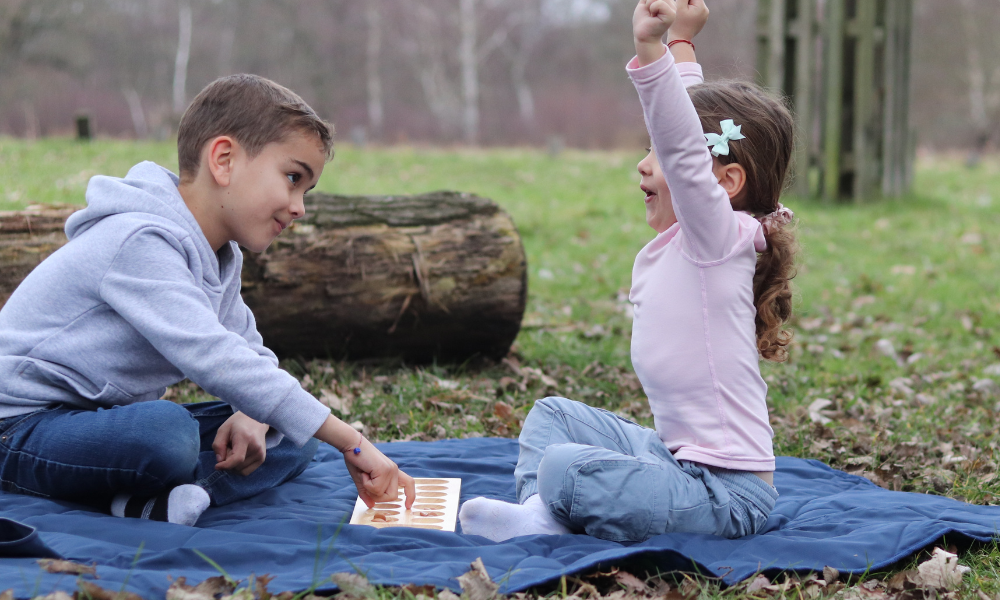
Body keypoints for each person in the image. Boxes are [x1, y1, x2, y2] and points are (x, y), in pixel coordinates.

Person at [0, 74, 415, 527]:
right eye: (292, 178)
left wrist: (252, 414)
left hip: (99, 424)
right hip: (20, 428)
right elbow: (214, 357)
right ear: (223, 160)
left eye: (306, 191)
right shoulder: (139, 240)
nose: (299, 207)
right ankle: (144, 495)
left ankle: (168, 500)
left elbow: (250, 354)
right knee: (165, 435)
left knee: (292, 431)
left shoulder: (217, 254)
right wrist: (353, 442)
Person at [459, 0, 796, 542]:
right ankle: (542, 517)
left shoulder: (718, 241)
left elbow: (686, 146)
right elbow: (689, 138)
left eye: (655, 152)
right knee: (554, 417)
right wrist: (683, 41)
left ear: (725, 184)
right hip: (676, 461)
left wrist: (651, 51)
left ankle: (552, 510)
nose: (644, 163)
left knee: (564, 467)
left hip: (727, 496)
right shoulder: (705, 235)